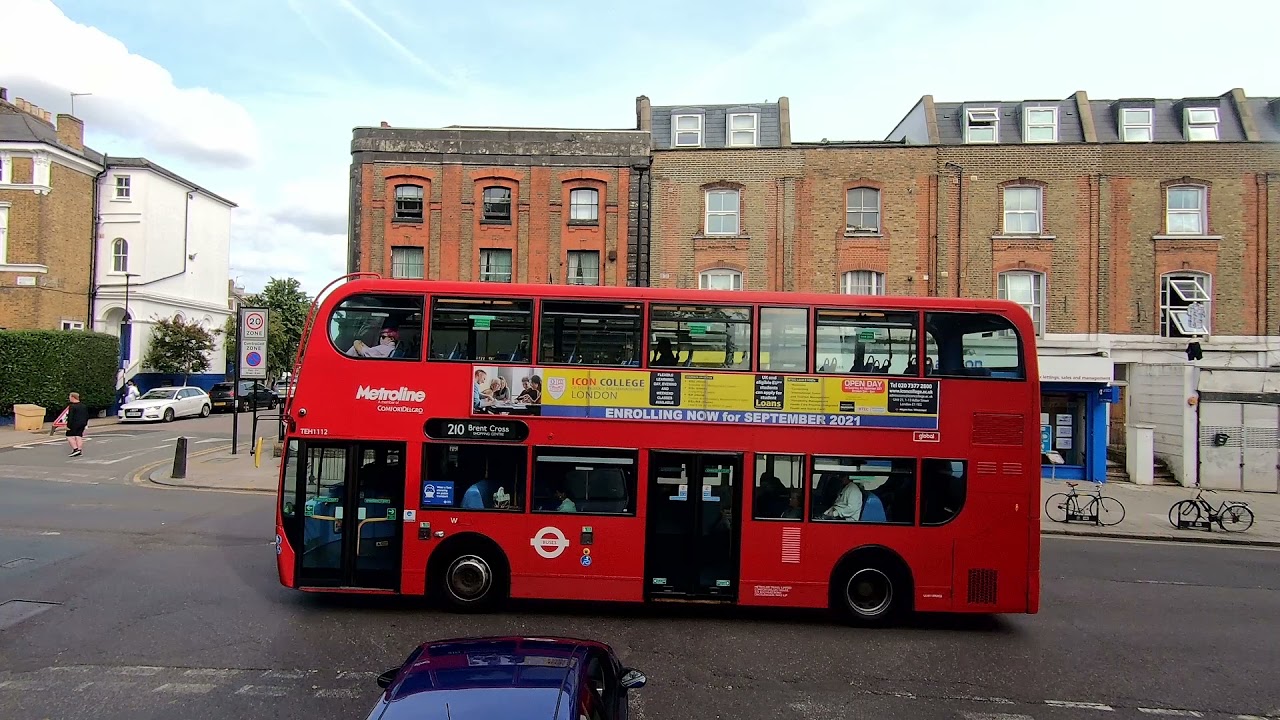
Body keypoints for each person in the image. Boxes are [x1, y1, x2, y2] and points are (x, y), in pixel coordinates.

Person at [64, 392, 90, 458]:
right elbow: (87, 415)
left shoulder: (72, 406)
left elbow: (70, 417)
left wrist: (68, 426)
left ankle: (75, 449)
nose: (69, 398)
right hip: (82, 423)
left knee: (69, 436)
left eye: (70, 397)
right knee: (79, 436)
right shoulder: (83, 406)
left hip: (74, 424)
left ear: (73, 397)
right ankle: (79, 450)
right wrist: (85, 423)